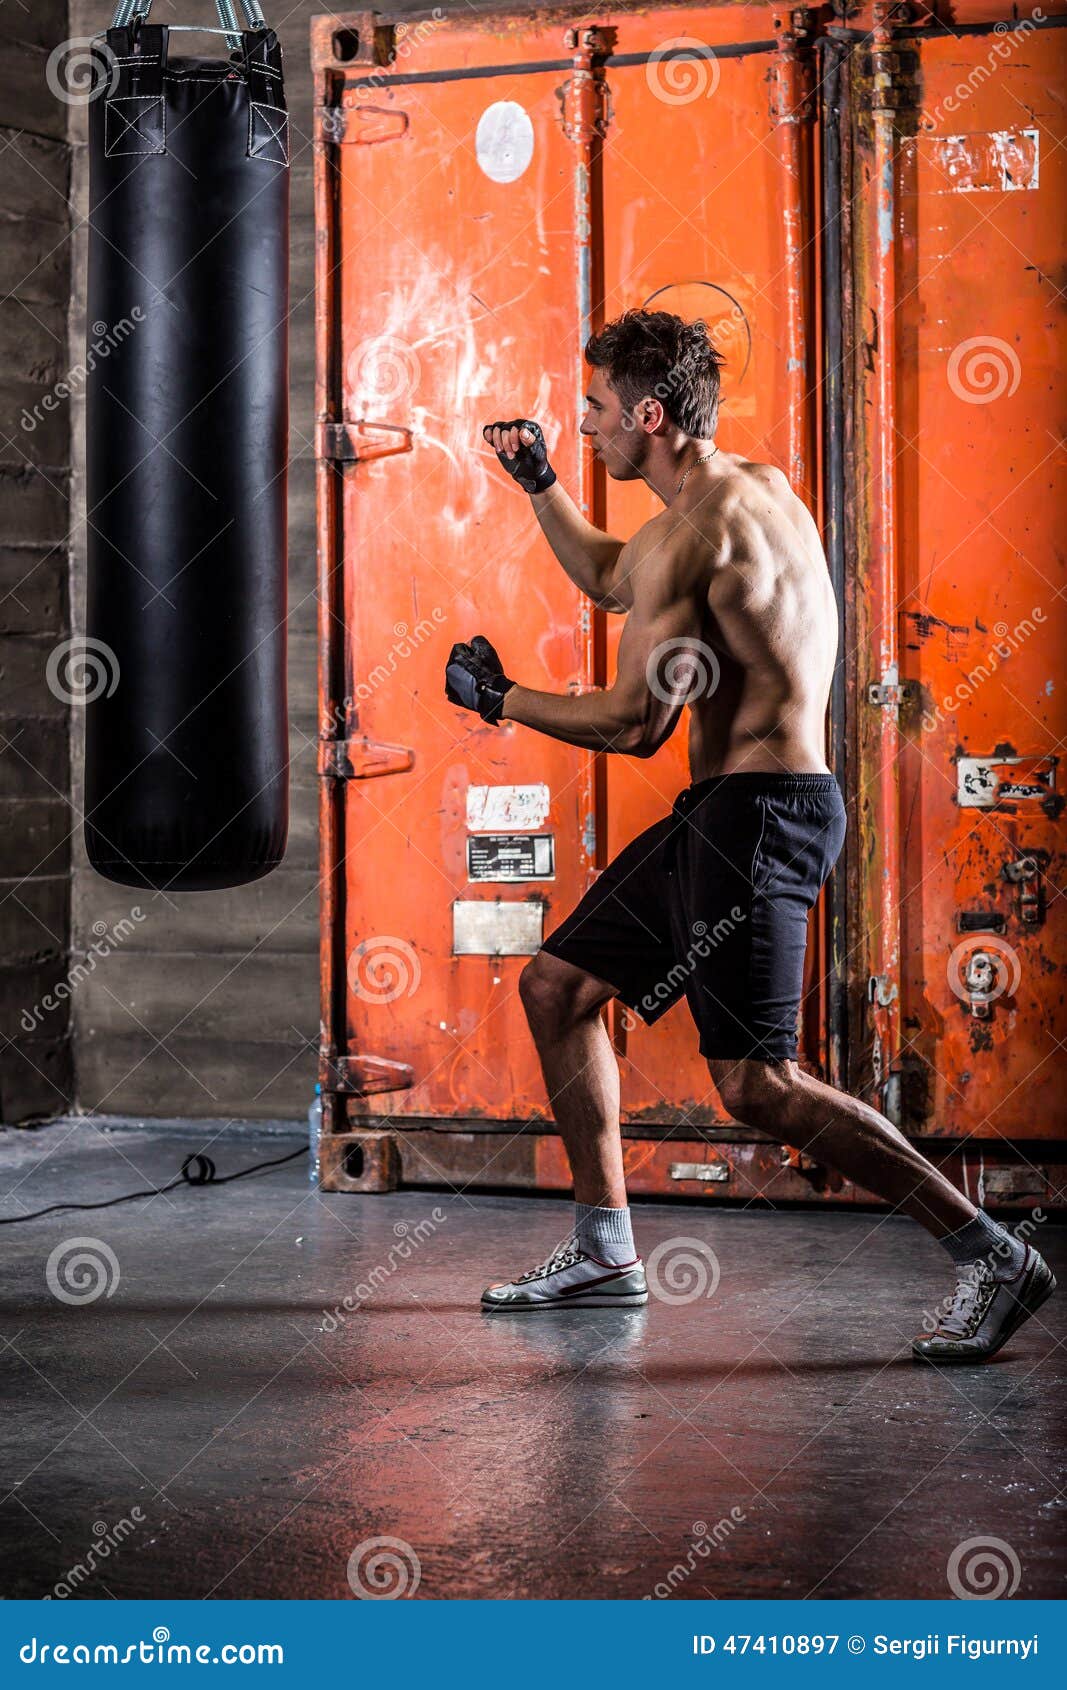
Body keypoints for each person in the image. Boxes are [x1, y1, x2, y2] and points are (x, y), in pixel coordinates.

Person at [444, 309, 1054, 1360]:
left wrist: (501, 698)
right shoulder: (749, 489)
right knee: (556, 987)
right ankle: (602, 1249)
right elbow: (609, 576)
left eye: (592, 412)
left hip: (757, 822)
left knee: (754, 1082)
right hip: (728, 813)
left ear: (647, 415)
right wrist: (540, 483)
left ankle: (987, 1251)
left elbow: (634, 725)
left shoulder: (692, 537)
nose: (582, 427)